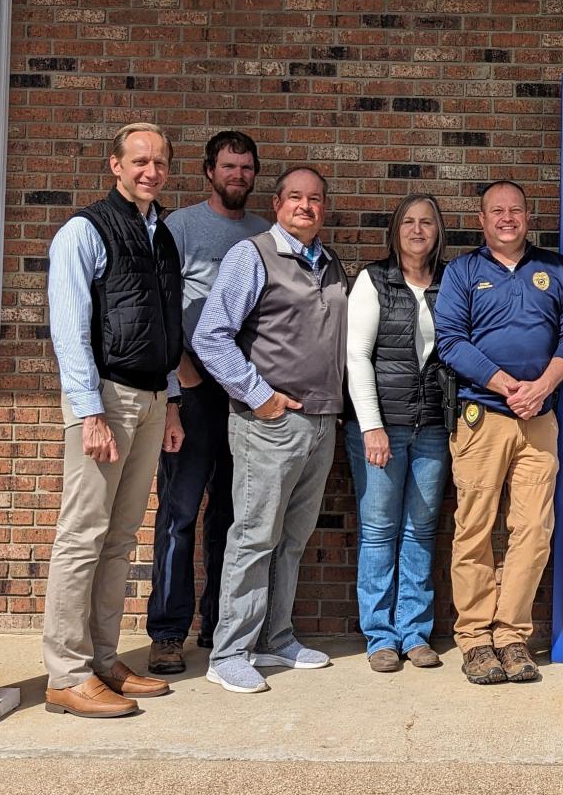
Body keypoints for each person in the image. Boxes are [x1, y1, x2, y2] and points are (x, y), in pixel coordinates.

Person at [41, 122, 185, 720]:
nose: (151, 171)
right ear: (115, 166)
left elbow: (166, 323)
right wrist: (90, 412)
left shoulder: (162, 235)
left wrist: (171, 401)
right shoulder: (85, 230)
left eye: (160, 162)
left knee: (120, 539)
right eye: (139, 161)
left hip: (149, 400)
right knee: (82, 537)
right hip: (106, 399)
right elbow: (69, 328)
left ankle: (103, 660)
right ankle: (67, 674)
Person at [189, 166, 347, 695]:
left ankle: (275, 638)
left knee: (292, 540)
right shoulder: (251, 255)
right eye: (295, 197)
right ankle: (229, 652)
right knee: (254, 537)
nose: (306, 206)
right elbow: (211, 336)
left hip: (320, 421)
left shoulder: (329, 263)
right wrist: (258, 396)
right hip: (270, 425)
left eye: (315, 199)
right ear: (277, 204)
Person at [433, 179, 563, 687]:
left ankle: (512, 634)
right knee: (474, 528)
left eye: (515, 210)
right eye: (496, 211)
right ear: (481, 220)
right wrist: (506, 385)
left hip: (539, 418)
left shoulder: (556, 270)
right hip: (482, 417)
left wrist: (541, 387)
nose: (507, 218)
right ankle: (475, 639)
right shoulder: (462, 272)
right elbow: (451, 341)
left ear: (528, 216)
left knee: (534, 529)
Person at [145, 130, 271, 676]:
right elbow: (159, 307)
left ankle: (220, 625)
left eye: (246, 167)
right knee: (179, 513)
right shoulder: (180, 228)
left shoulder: (265, 233)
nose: (237, 175)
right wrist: (182, 377)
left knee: (233, 514)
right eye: (228, 166)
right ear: (208, 172)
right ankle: (167, 634)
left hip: (244, 391)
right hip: (194, 390)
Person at [344, 194, 452, 674]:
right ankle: (380, 637)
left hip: (432, 428)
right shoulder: (374, 280)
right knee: (378, 532)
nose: (417, 229)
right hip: (380, 427)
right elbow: (356, 356)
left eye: (426, 222)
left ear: (438, 231)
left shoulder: (450, 282)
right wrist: (372, 425)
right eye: (408, 221)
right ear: (395, 230)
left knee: (421, 530)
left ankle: (415, 633)